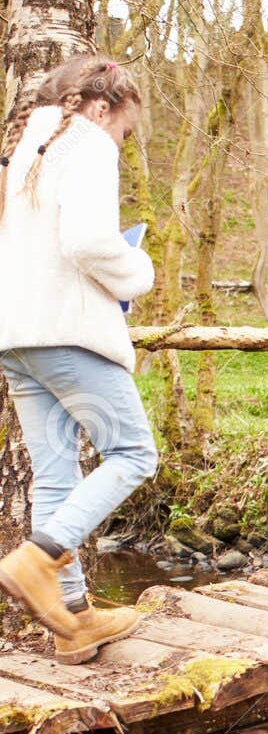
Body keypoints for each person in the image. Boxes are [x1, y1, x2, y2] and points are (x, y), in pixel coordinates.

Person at [0, 55, 157, 662]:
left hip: (16, 336)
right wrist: (136, 271)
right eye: (126, 127)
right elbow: (90, 242)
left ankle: (71, 621)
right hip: (67, 333)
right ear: (101, 107)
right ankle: (38, 559)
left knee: (55, 472)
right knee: (133, 453)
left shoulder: (25, 152)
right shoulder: (85, 143)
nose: (122, 139)